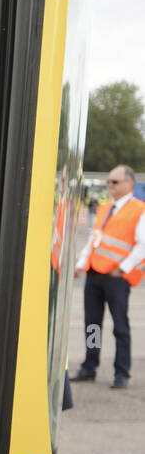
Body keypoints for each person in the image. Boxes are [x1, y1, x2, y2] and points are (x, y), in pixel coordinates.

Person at [71, 164, 145, 388]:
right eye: (109, 182)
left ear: (128, 184)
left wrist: (123, 268)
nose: (109, 185)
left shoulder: (139, 209)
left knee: (120, 326)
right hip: (94, 273)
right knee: (92, 324)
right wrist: (81, 263)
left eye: (114, 182)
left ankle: (121, 372)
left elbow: (143, 245)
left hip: (116, 277)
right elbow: (96, 239)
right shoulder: (105, 207)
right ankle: (89, 366)